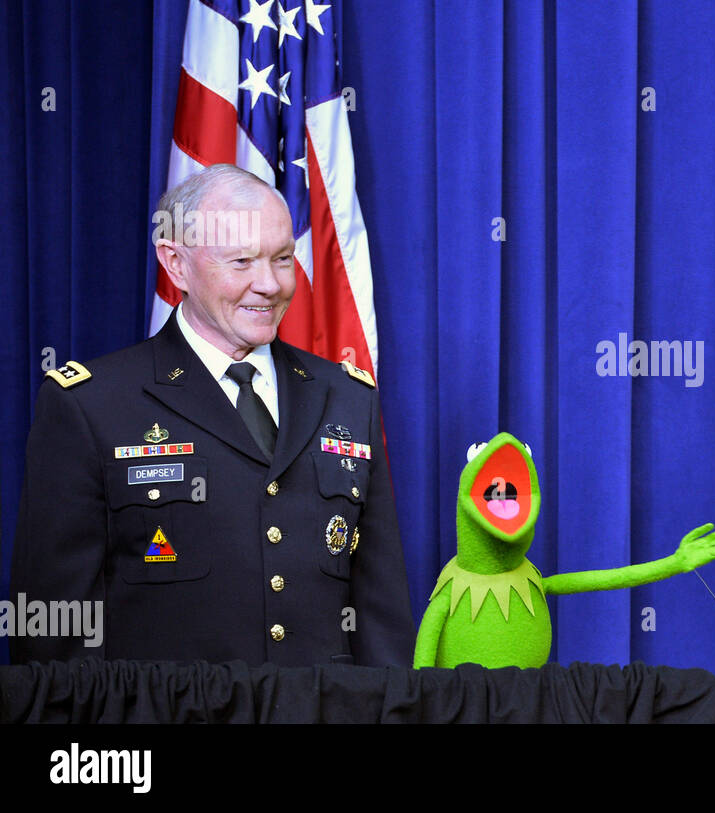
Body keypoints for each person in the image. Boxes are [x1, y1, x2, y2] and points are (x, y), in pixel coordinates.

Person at [9, 164, 415, 665]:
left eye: (283, 258)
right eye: (241, 261)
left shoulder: (348, 397)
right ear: (175, 263)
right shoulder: (89, 405)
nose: (269, 284)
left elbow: (381, 618)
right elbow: (55, 634)